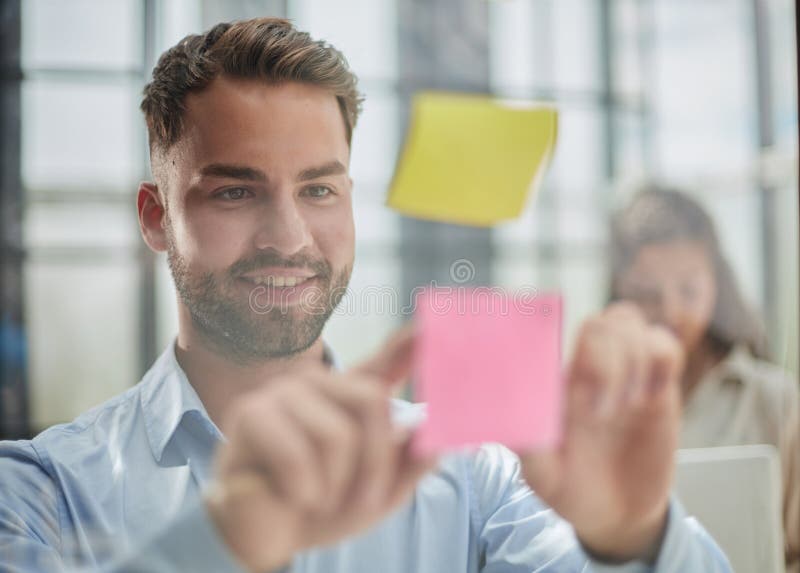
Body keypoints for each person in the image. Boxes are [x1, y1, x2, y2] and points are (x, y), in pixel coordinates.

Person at [0, 18, 731, 572]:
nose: (288, 237)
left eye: (318, 188)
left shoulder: (472, 474)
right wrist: (222, 541)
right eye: (233, 191)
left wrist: (634, 537)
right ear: (157, 216)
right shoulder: (42, 491)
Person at [610, 187, 800, 572]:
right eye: (648, 293)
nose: (671, 311)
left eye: (689, 290)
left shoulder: (774, 400)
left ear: (717, 282)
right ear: (619, 291)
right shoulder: (596, 407)